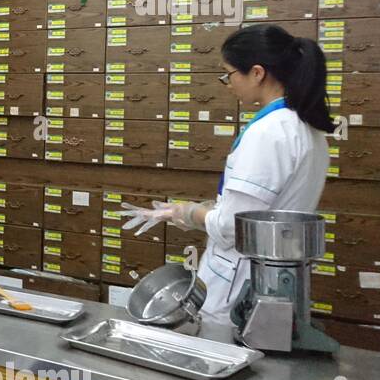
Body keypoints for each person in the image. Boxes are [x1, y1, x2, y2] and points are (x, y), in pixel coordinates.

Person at [119, 24, 333, 323]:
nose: (228, 83)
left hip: (240, 285)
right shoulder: (308, 129)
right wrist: (192, 212)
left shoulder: (269, 133)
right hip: (275, 278)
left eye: (229, 74)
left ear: (257, 73)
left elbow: (233, 227)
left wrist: (189, 212)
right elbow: (261, 210)